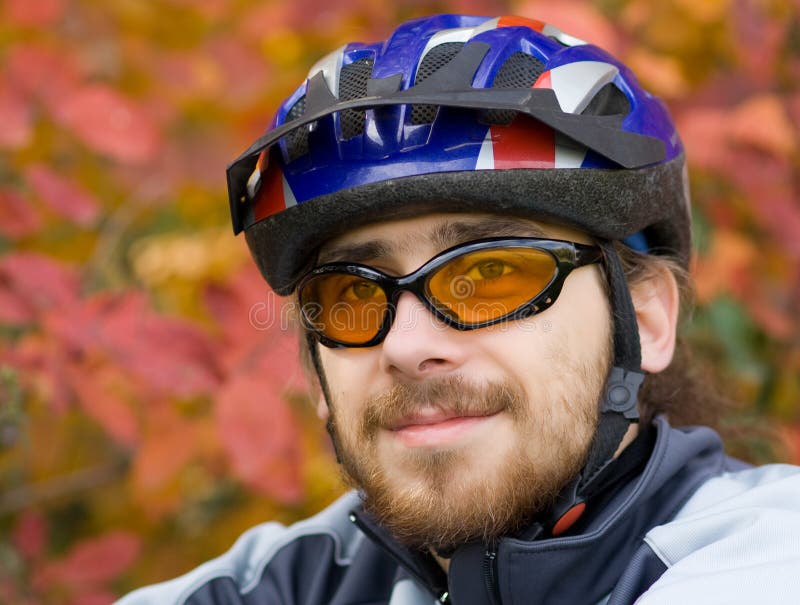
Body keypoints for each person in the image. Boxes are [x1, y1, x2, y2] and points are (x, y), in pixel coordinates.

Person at [118, 14, 800, 605]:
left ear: (646, 319)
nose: (406, 345)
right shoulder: (286, 579)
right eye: (352, 294)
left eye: (492, 272)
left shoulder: (767, 553)